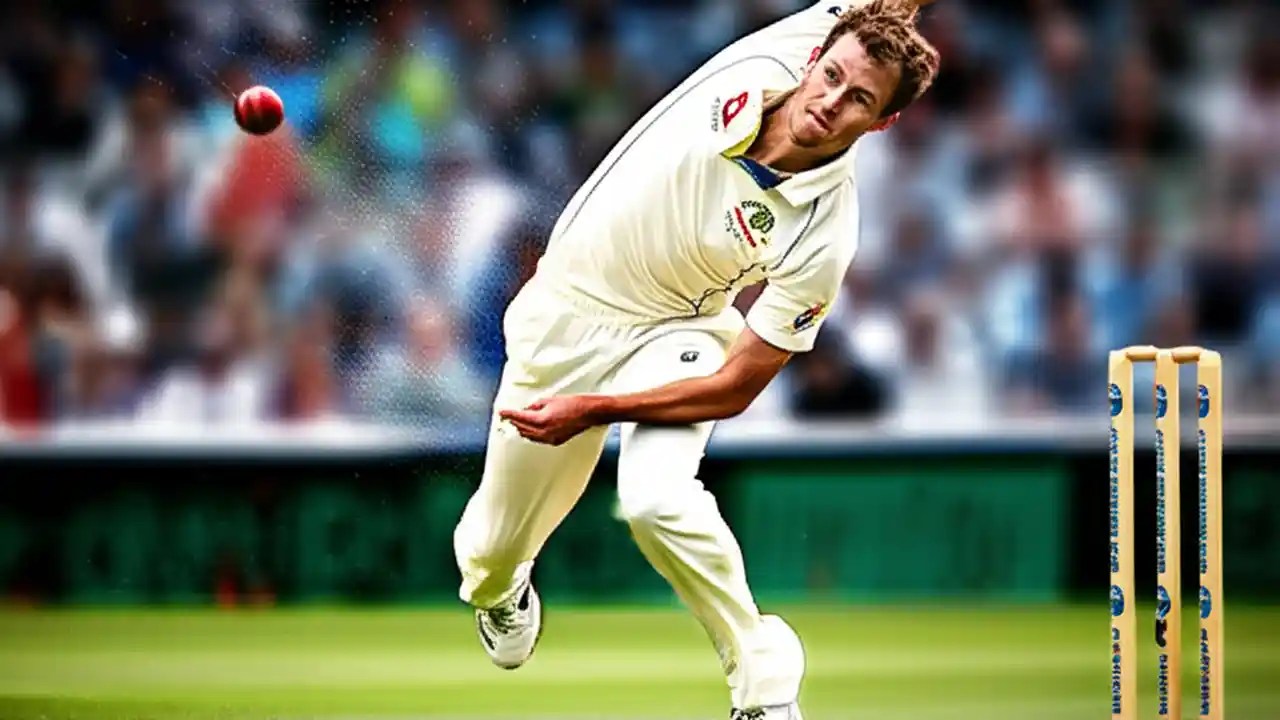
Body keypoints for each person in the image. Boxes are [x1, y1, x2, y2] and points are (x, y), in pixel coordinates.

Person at [452, 2, 939, 718]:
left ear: (883, 122)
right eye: (832, 77)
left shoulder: (825, 233)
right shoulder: (791, 44)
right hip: (561, 318)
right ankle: (503, 590)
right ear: (815, 57)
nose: (832, 101)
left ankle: (765, 688)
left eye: (860, 99)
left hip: (676, 331)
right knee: (488, 556)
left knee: (653, 499)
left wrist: (596, 411)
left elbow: (737, 382)